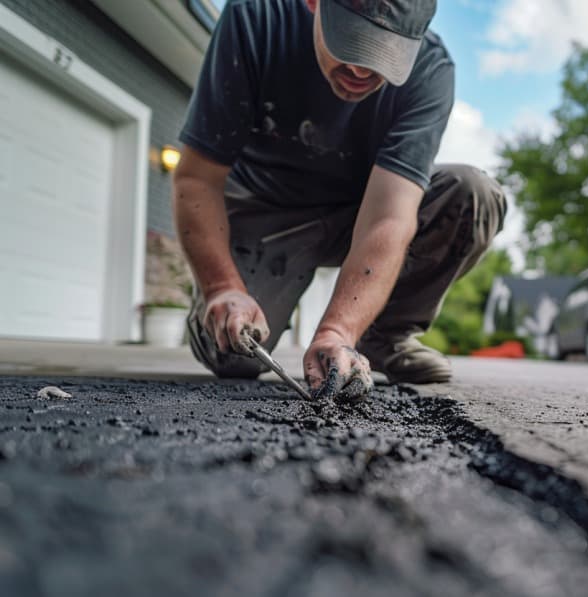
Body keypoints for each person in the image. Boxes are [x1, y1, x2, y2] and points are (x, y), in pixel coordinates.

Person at [172, 0, 505, 397]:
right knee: (234, 352)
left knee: (473, 193)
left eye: (384, 52)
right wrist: (222, 287)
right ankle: (221, 303)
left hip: (363, 212)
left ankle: (382, 336)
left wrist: (339, 331)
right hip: (267, 210)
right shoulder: (256, 18)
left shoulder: (431, 69)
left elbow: (389, 216)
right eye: (351, 42)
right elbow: (197, 179)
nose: (361, 71)